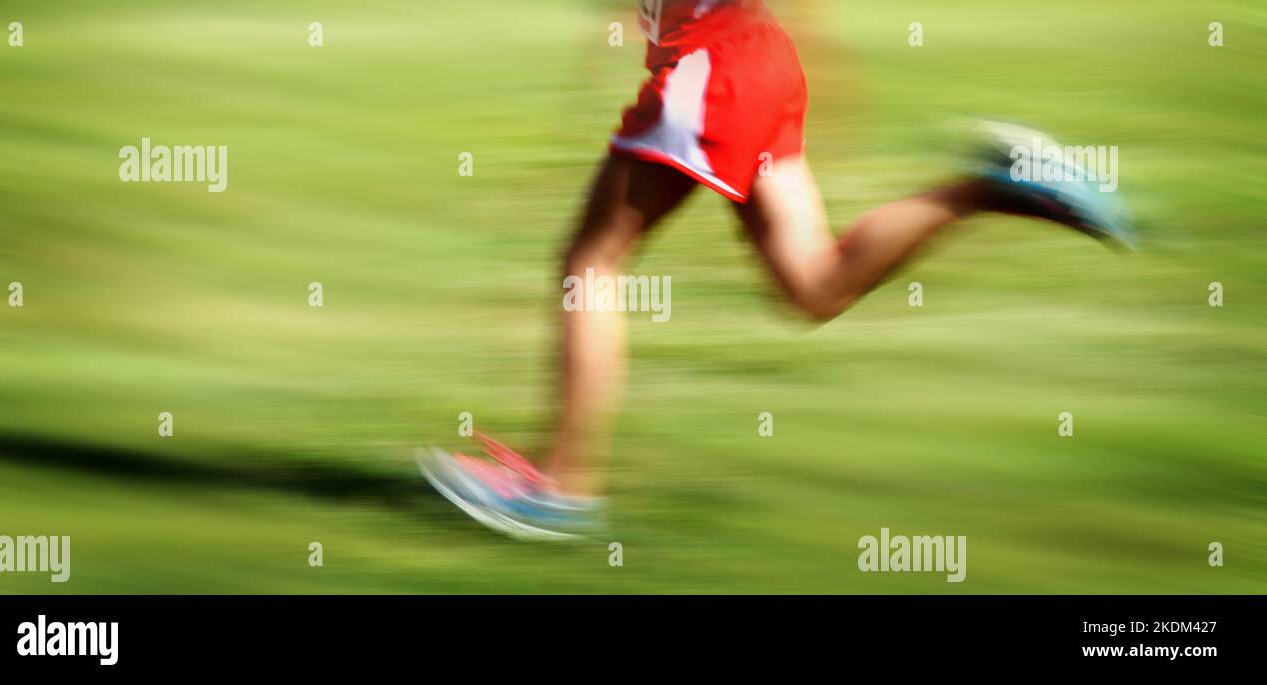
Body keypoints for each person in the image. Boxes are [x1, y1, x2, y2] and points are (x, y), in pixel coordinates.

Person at [418, 0, 1135, 540]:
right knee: (814, 286)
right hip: (758, 63)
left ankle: (561, 485)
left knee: (590, 265)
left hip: (712, 75)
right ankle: (991, 186)